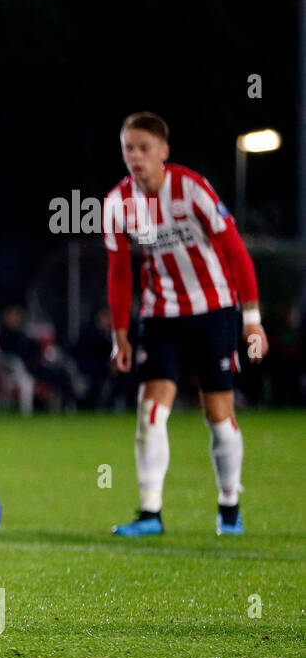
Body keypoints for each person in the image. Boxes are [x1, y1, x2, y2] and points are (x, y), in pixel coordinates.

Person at [105, 112, 266, 537]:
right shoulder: (117, 203)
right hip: (160, 318)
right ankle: (150, 513)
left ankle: (229, 506)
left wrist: (252, 321)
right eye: (128, 149)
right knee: (150, 410)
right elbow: (119, 271)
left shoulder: (191, 188)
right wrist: (119, 333)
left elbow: (235, 252)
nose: (135, 157)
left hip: (213, 312)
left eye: (143, 148)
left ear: (163, 151)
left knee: (217, 413)